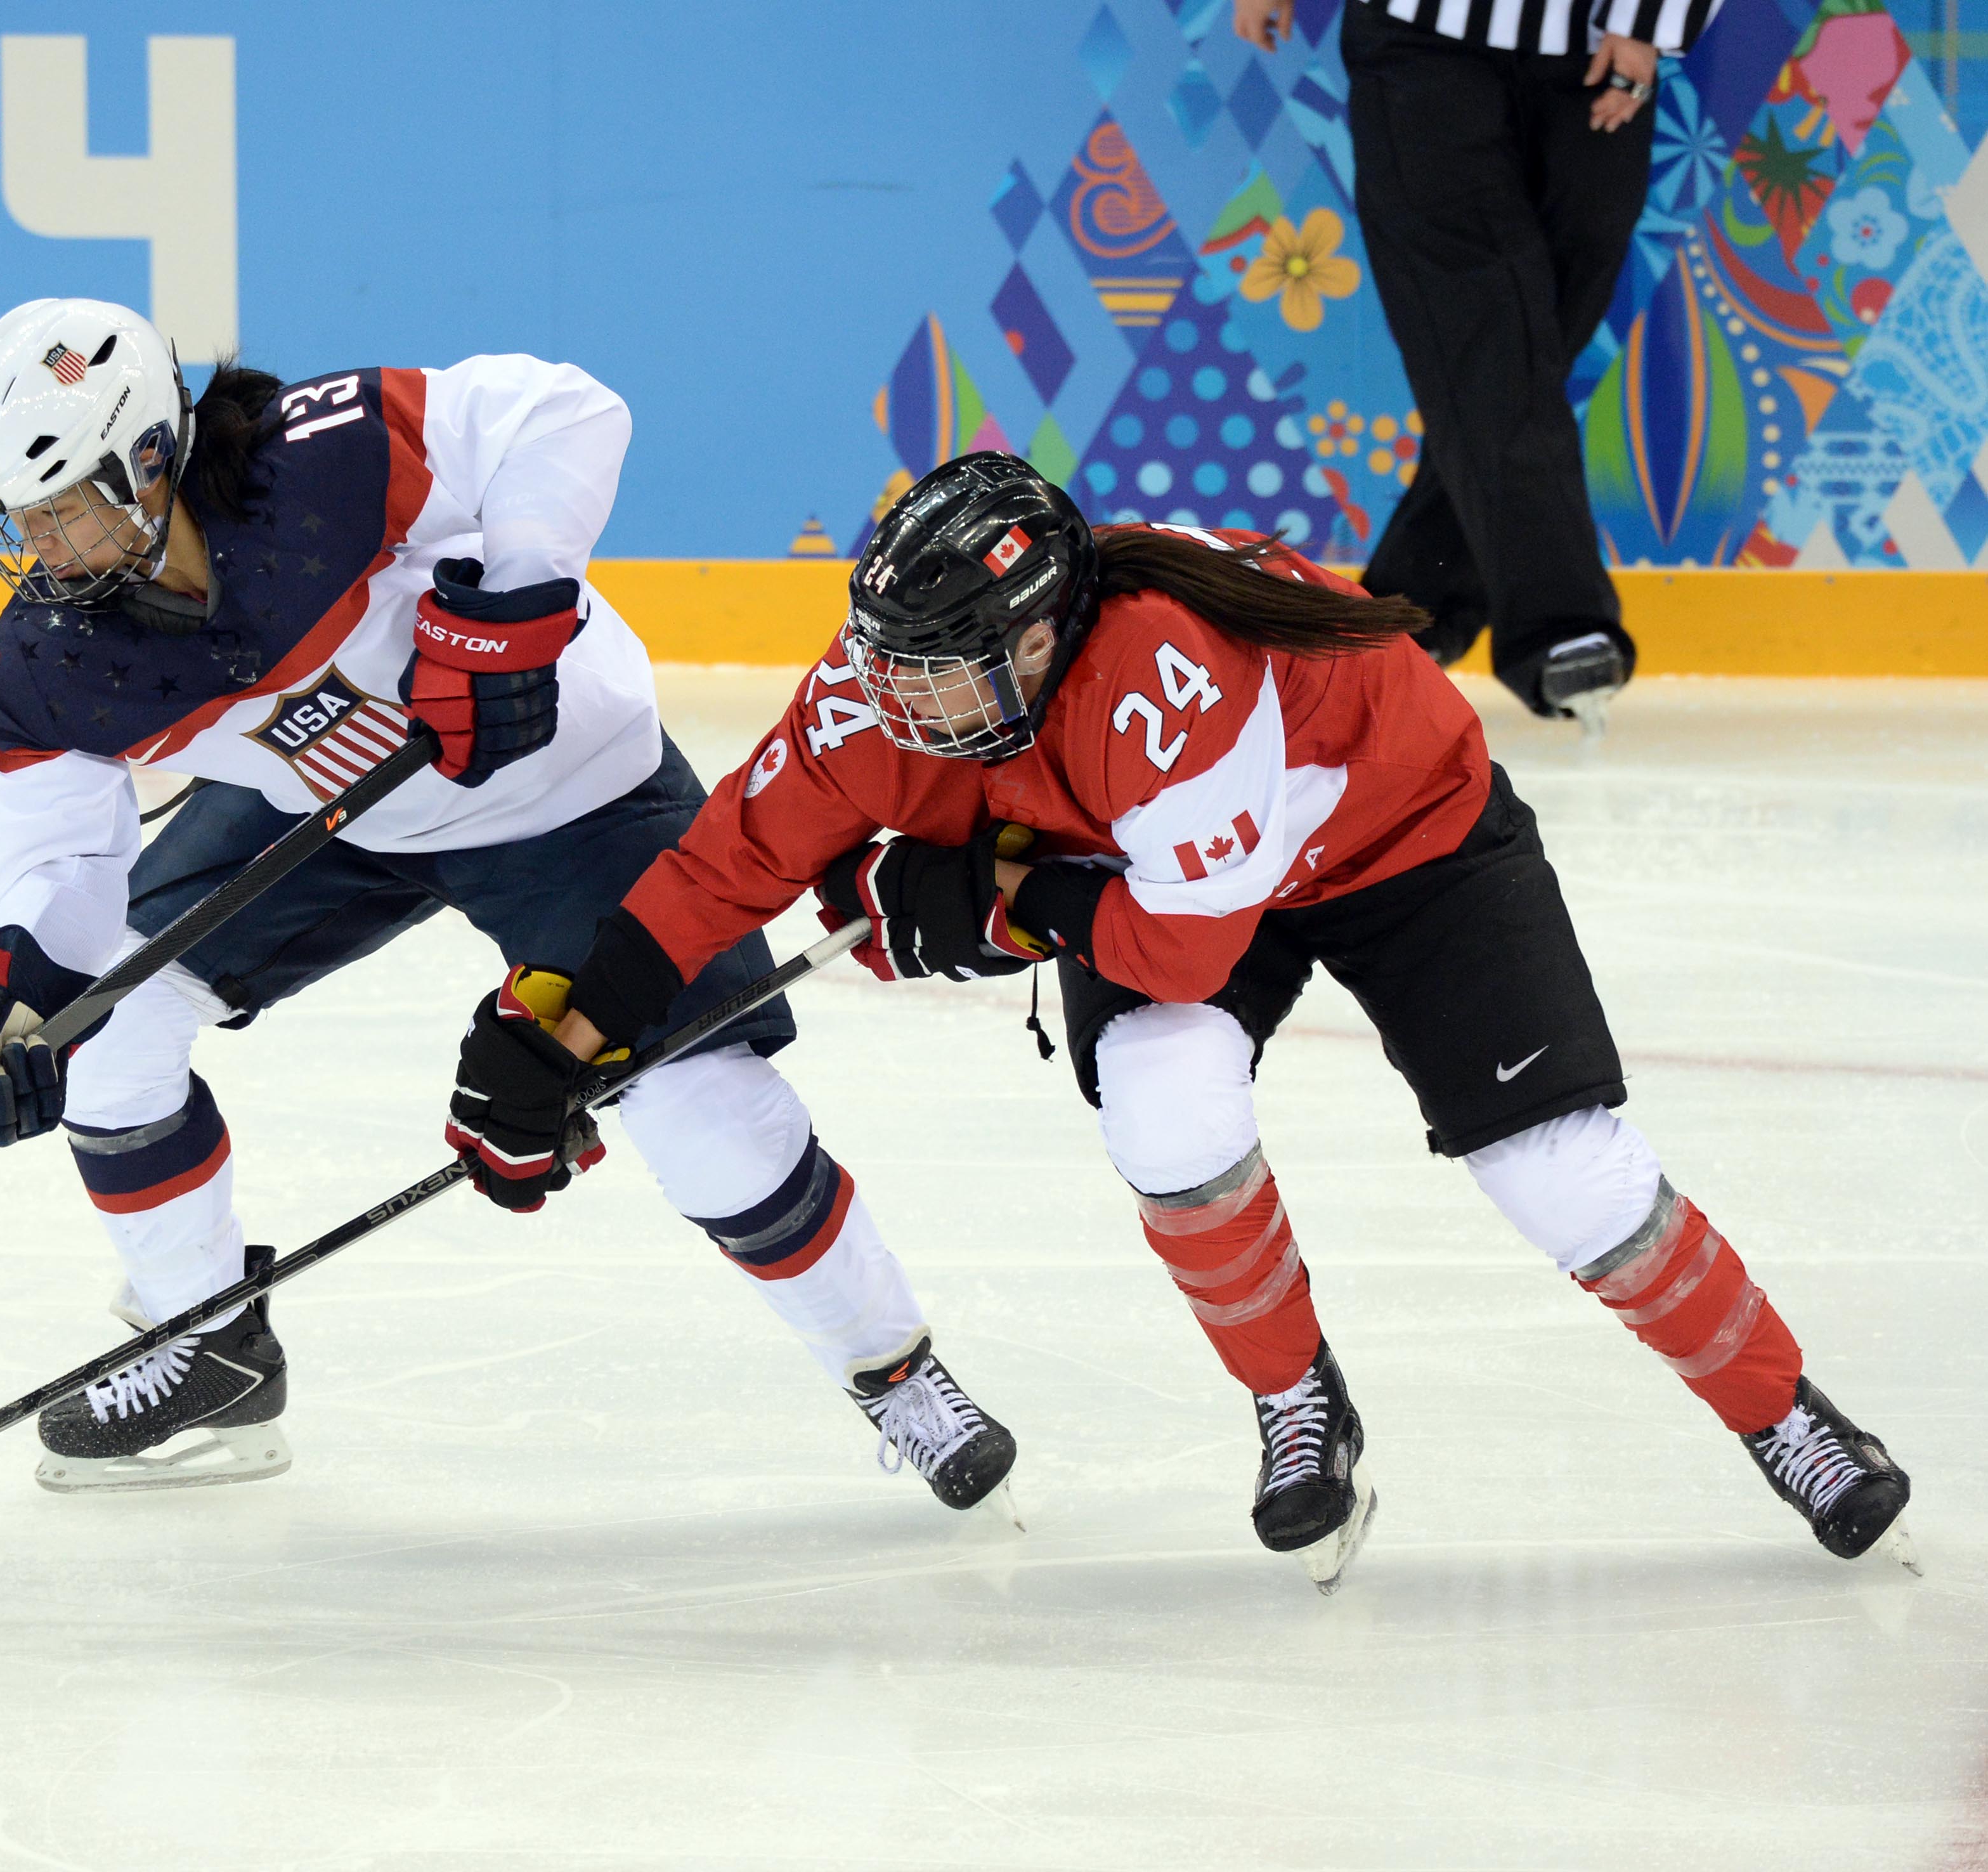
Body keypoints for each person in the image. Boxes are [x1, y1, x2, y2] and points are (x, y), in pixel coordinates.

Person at [453, 451, 1915, 1588]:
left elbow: (1175, 934)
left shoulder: (1161, 681)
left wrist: (997, 900)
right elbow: (726, 867)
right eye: (889, 661)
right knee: (1164, 1100)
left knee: (1558, 1166)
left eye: (940, 667)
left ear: (1040, 637)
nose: (898, 703)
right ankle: (1298, 1400)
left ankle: (1784, 1409)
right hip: (1159, 862)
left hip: (1403, 838)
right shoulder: (897, 691)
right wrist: (576, 1028)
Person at [0, 296, 1016, 1511]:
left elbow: (566, 412)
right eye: (18, 517)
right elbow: (56, 867)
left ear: (150, 457)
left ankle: (896, 1371)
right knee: (103, 1025)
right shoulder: (53, 660)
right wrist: (6, 996)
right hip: (334, 808)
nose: (41, 545)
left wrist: (506, 617)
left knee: (708, 1111)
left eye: (64, 503)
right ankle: (209, 1342)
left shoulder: (321, 457)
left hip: (573, 798)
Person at [1233, 0, 1718, 729]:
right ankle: (1560, 628)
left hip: (1595, 45)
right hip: (1419, 42)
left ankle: (1404, 620)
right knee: (1487, 335)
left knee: (1524, 348)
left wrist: (1645, 18)